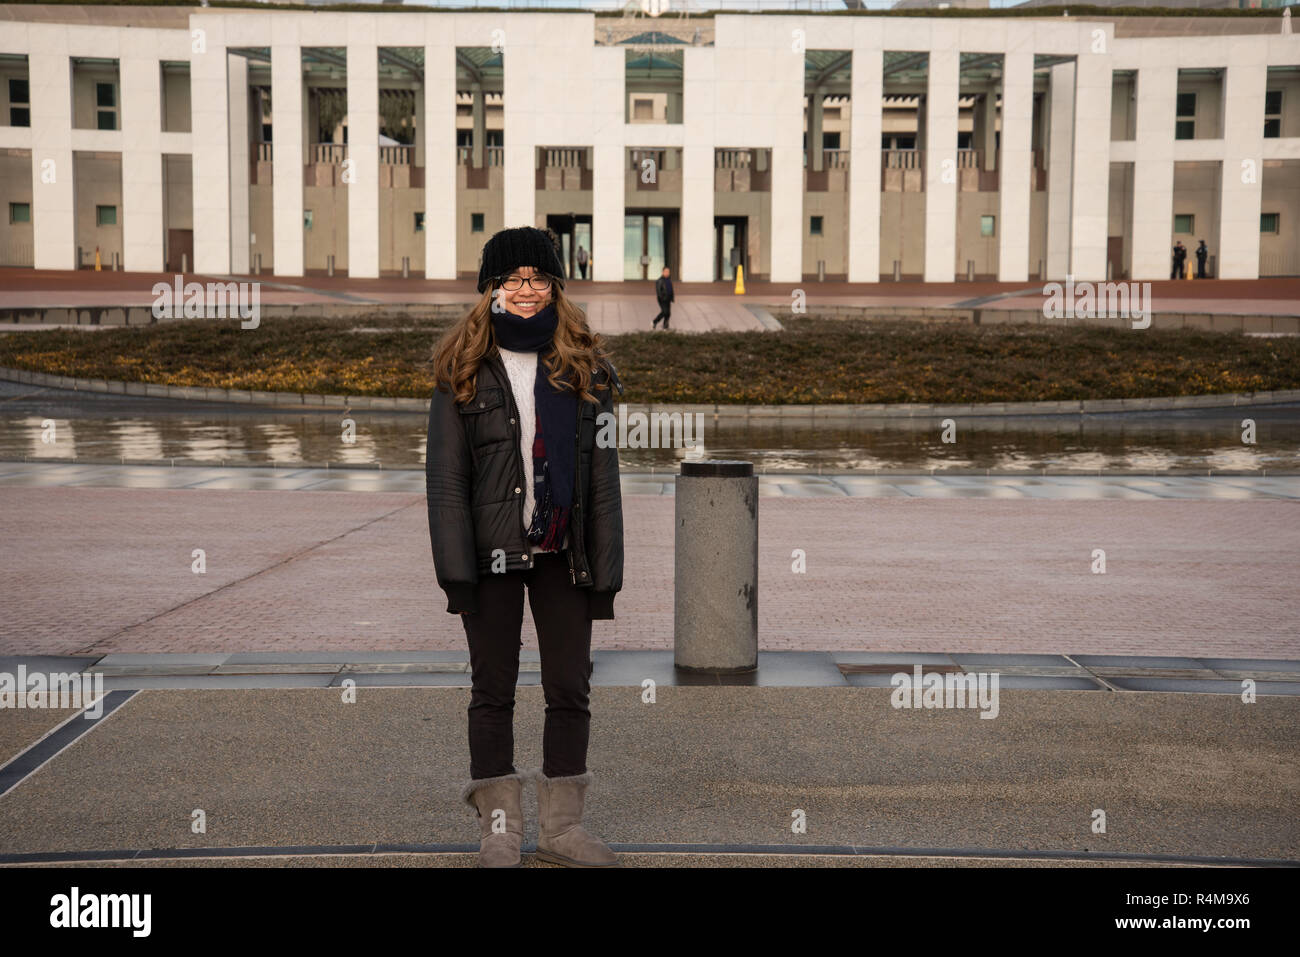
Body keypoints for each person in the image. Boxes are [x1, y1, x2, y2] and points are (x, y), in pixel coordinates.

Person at [426, 225, 625, 868]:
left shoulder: (585, 370)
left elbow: (602, 482)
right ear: (490, 291)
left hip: (564, 556)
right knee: (494, 691)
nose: (526, 290)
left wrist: (607, 573)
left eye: (538, 279)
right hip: (491, 557)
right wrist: (456, 574)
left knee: (570, 687)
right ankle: (500, 832)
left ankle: (562, 829)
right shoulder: (462, 373)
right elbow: (447, 482)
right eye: (511, 280)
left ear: (556, 288)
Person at [652, 265, 674, 330]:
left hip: (668, 299)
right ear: (662, 272)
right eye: (666, 271)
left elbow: (671, 289)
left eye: (668, 272)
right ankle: (654, 322)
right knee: (664, 312)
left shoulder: (669, 280)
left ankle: (665, 326)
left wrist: (672, 298)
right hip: (662, 299)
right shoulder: (659, 281)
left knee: (668, 313)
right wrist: (662, 298)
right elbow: (658, 291)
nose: (667, 273)